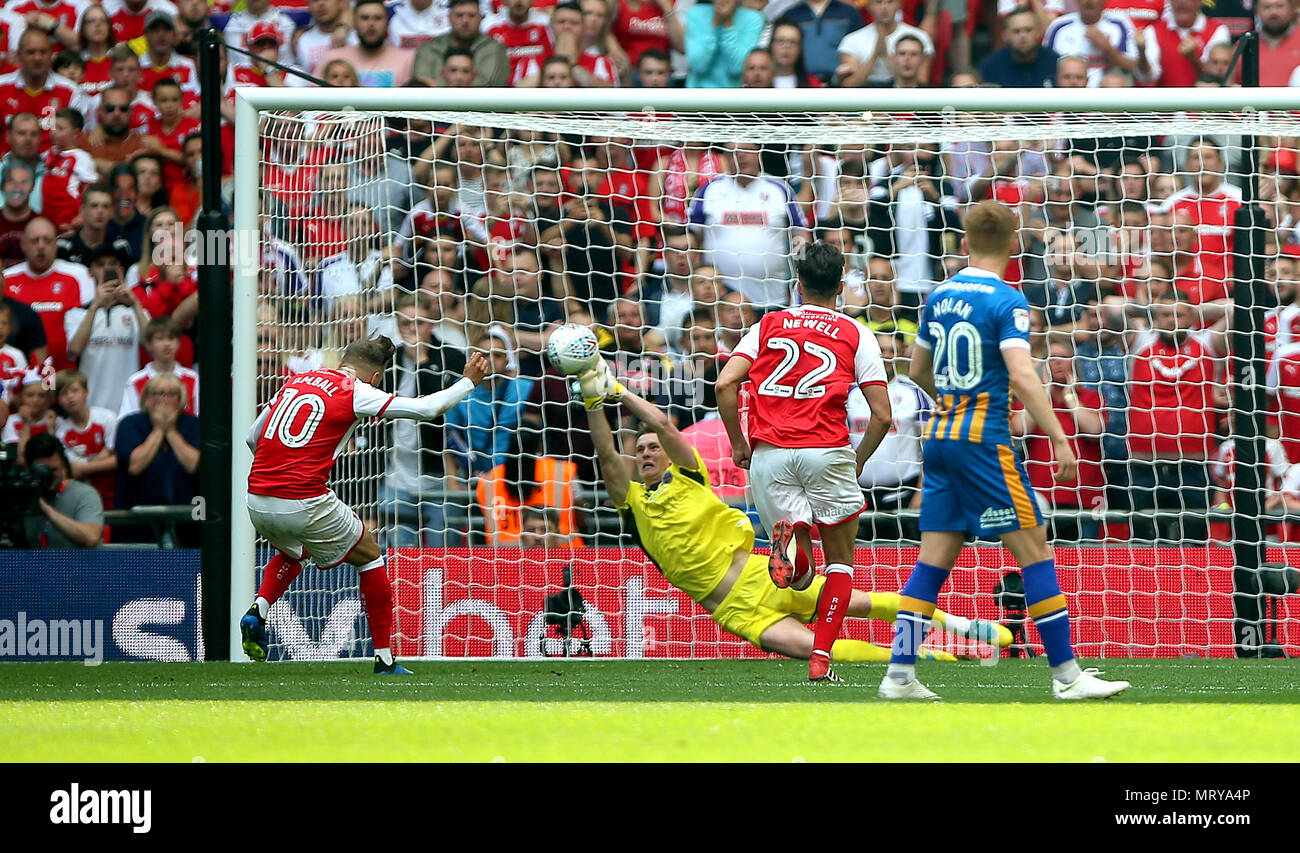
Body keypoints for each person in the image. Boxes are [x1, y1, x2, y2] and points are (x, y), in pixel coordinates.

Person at [574, 372, 1010, 670]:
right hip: (736, 611)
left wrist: (617, 389)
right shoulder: (631, 502)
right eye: (642, 449)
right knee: (824, 649)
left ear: (668, 453)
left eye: (653, 448)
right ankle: (938, 657)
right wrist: (594, 401)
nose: (647, 452)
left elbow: (665, 425)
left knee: (862, 603)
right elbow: (607, 456)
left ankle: (960, 626)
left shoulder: (690, 477)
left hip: (766, 577)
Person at [878, 200, 1129, 701]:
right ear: (1015, 245)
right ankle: (1067, 676)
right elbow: (1020, 372)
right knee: (1036, 552)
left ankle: (899, 675)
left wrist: (952, 397)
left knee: (932, 561)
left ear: (965, 243)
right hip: (982, 441)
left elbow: (917, 372)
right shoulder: (1008, 300)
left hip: (942, 438)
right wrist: (1058, 434)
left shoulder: (939, 295)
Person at [238, 337, 489, 674]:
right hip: (302, 497)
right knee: (370, 556)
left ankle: (258, 609)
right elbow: (427, 409)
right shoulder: (355, 389)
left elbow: (253, 437)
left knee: (295, 550)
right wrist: (468, 381)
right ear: (374, 377)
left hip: (256, 498)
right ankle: (384, 659)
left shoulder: (295, 381)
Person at [715, 240, 893, 682]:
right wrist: (857, 460)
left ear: (798, 284)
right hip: (826, 449)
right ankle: (820, 657)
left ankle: (795, 545)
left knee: (798, 577)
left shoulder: (768, 324)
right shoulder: (856, 332)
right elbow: (883, 415)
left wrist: (739, 443)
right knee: (842, 563)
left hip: (769, 455)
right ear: (841, 284)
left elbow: (724, 385)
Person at [20, 432, 104, 549]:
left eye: (53, 469)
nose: (49, 476)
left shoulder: (85, 494)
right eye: (42, 471)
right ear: (29, 469)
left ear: (63, 465)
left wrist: (47, 510)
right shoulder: (23, 498)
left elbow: (91, 538)